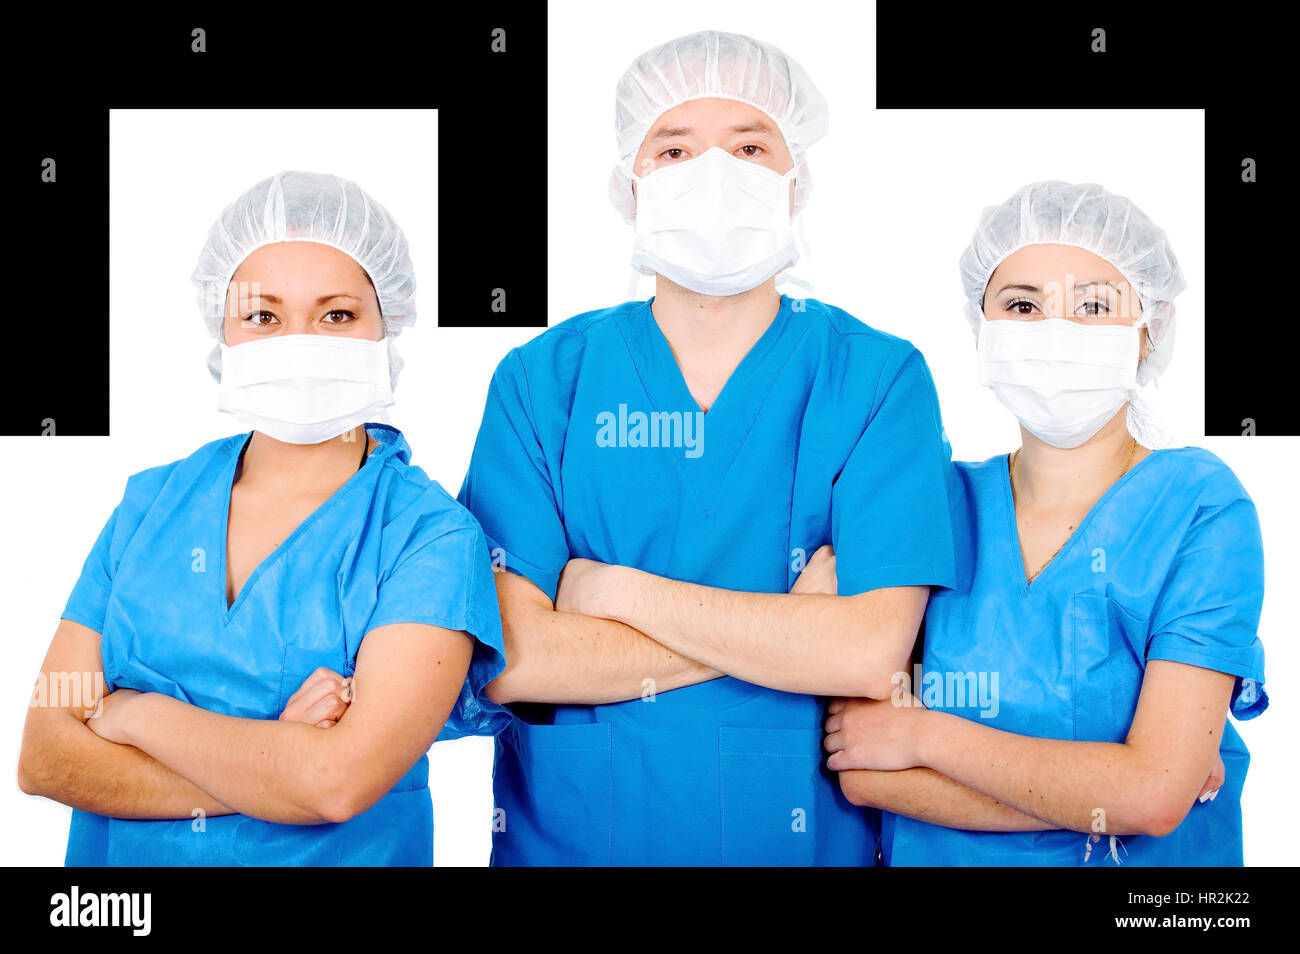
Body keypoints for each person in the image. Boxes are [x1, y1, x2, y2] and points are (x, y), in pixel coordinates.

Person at [457, 30, 955, 865]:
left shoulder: (876, 379)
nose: (714, 175)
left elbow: (868, 653)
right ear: (630, 181)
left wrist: (613, 591)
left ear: (796, 182)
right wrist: (794, 629)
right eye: (676, 148)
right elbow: (517, 662)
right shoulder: (545, 381)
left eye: (751, 146)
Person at [18, 170, 507, 866]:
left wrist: (135, 715)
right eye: (263, 315)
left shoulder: (427, 537)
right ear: (222, 328)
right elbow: (44, 758)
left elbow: (335, 784)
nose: (299, 340)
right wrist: (275, 757)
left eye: (337, 315)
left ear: (387, 326)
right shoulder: (150, 505)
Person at [824, 181, 1269, 865]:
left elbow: (1150, 797)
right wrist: (1112, 783)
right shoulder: (933, 501)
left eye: (1094, 304)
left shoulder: (1198, 508)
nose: (1054, 329)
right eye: (1022, 305)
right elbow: (858, 767)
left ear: (1149, 326)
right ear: (983, 325)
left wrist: (922, 740)